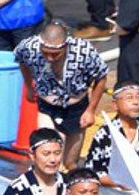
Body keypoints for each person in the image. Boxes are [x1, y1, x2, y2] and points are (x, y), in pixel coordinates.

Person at [16, 24, 110, 171]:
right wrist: (29, 86)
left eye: (56, 54)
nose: (50, 58)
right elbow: (22, 61)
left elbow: (101, 77)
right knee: (51, 153)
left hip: (76, 107)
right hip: (48, 105)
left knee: (70, 162)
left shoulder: (83, 51)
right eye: (46, 53)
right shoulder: (29, 47)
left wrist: (91, 110)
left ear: (66, 46)